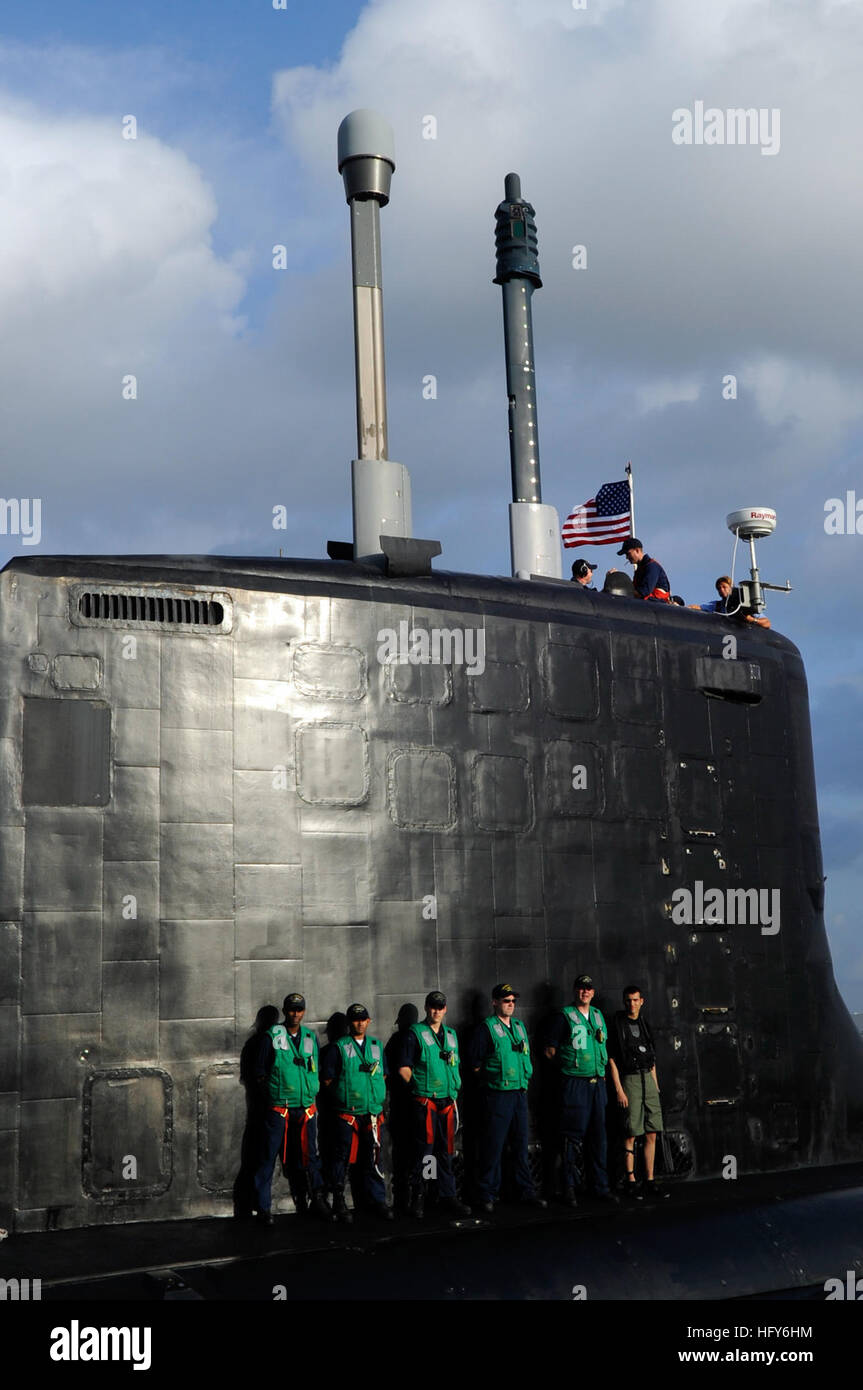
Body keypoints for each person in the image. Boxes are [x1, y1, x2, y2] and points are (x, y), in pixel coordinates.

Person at [252, 994, 332, 1225]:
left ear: (303, 1012)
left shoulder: (309, 1037)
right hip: (280, 1108)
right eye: (291, 1010)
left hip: (306, 1108)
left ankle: (316, 1199)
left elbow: (313, 1068)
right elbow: (259, 1073)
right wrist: (274, 1096)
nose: (295, 1014)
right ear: (285, 1012)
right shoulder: (271, 1037)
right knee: (268, 1156)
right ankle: (263, 1208)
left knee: (311, 1156)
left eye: (299, 1010)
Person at [469, 984, 546, 1215]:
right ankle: (487, 1195)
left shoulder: (520, 1027)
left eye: (513, 1000)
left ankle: (525, 1192)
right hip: (497, 1095)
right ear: (495, 1003)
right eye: (505, 1000)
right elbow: (474, 1064)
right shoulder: (486, 1029)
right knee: (493, 1146)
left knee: (521, 1146)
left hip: (519, 1094)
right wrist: (492, 1081)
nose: (510, 1004)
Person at [542, 975, 616, 1206]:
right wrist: (568, 1070)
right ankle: (569, 1188)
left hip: (597, 1084)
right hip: (575, 1084)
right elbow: (549, 1050)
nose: (585, 992)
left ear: (593, 993)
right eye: (581, 989)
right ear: (575, 991)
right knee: (571, 1138)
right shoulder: (563, 1016)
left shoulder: (597, 1015)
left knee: (599, 1138)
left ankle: (600, 1187)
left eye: (588, 989)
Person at [398, 991, 471, 1219]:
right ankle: (422, 1195)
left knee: (446, 1152)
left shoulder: (451, 1035)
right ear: (426, 1008)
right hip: (427, 1103)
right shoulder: (415, 1034)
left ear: (445, 1009)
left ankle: (448, 1195)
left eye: (440, 1007)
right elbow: (404, 1068)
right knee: (426, 1153)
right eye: (432, 1006)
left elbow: (454, 1064)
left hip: (447, 1103)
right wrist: (420, 1088)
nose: (436, 1010)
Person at [320, 1002, 393, 1221]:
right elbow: (327, 1079)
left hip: (371, 1114)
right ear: (349, 1023)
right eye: (355, 1020)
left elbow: (384, 1075)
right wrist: (347, 1096)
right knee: (341, 1158)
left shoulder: (376, 1046)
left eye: (363, 1019)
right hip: (348, 1115)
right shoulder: (338, 1047)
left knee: (374, 1158)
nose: (359, 1023)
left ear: (368, 1021)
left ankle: (378, 1200)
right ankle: (339, 1201)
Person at [607, 985, 670, 1200]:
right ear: (624, 1002)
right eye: (628, 1000)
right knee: (631, 1133)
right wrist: (619, 1089)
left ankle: (650, 1180)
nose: (632, 1004)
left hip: (648, 1080)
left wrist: (656, 1084)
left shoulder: (644, 1024)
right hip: (630, 1080)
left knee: (652, 1132)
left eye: (635, 1000)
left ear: (641, 1001)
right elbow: (612, 1059)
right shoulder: (618, 1024)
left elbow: (651, 1058)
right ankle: (631, 1181)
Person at [234, 1004, 279, 1219]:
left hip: (259, 1107)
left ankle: (253, 1205)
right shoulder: (269, 1043)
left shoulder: (252, 1043)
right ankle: (260, 1205)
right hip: (269, 1108)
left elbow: (247, 1078)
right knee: (264, 1157)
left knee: (256, 1157)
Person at [385, 1003, 419, 1214]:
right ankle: (425, 1191)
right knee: (426, 1153)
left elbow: (388, 1074)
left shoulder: (395, 1040)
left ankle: (402, 1197)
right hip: (422, 1105)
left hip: (402, 1106)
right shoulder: (424, 1038)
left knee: (402, 1154)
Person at [689, 575, 771, 628]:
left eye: (724, 587)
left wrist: (751, 619)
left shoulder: (743, 604)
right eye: (719, 588)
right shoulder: (718, 605)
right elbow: (698, 607)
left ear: (731, 587)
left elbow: (767, 623)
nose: (721, 590)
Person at [608, 537, 671, 603]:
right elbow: (633, 590)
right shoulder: (640, 569)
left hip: (657, 605)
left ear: (637, 550)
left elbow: (643, 592)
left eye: (628, 554)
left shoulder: (652, 566)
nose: (627, 557)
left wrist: (620, 581)